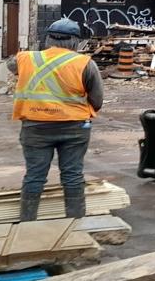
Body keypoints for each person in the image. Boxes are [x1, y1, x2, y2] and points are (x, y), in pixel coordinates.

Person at [8, 17, 104, 221]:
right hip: (75, 128)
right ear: (75, 41)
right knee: (72, 176)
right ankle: (75, 223)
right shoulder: (85, 63)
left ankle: (27, 222)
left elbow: (11, 65)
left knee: (34, 176)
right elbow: (97, 100)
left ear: (48, 38)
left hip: (35, 127)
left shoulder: (26, 58)